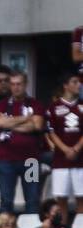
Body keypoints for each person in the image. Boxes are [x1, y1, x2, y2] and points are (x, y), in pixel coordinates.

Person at [0, 71, 47, 214]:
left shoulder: (36, 104)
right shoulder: (1, 105)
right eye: (13, 84)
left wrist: (9, 123)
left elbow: (37, 125)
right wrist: (25, 119)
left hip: (31, 160)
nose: (16, 87)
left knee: (33, 200)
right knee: (6, 200)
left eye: (19, 84)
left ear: (25, 84)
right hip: (6, 160)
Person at [47, 74, 83, 217]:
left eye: (79, 82)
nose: (79, 85)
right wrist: (66, 149)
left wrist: (76, 148)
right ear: (65, 85)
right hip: (60, 161)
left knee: (82, 198)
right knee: (61, 199)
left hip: (81, 161)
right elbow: (51, 132)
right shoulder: (53, 108)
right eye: (74, 82)